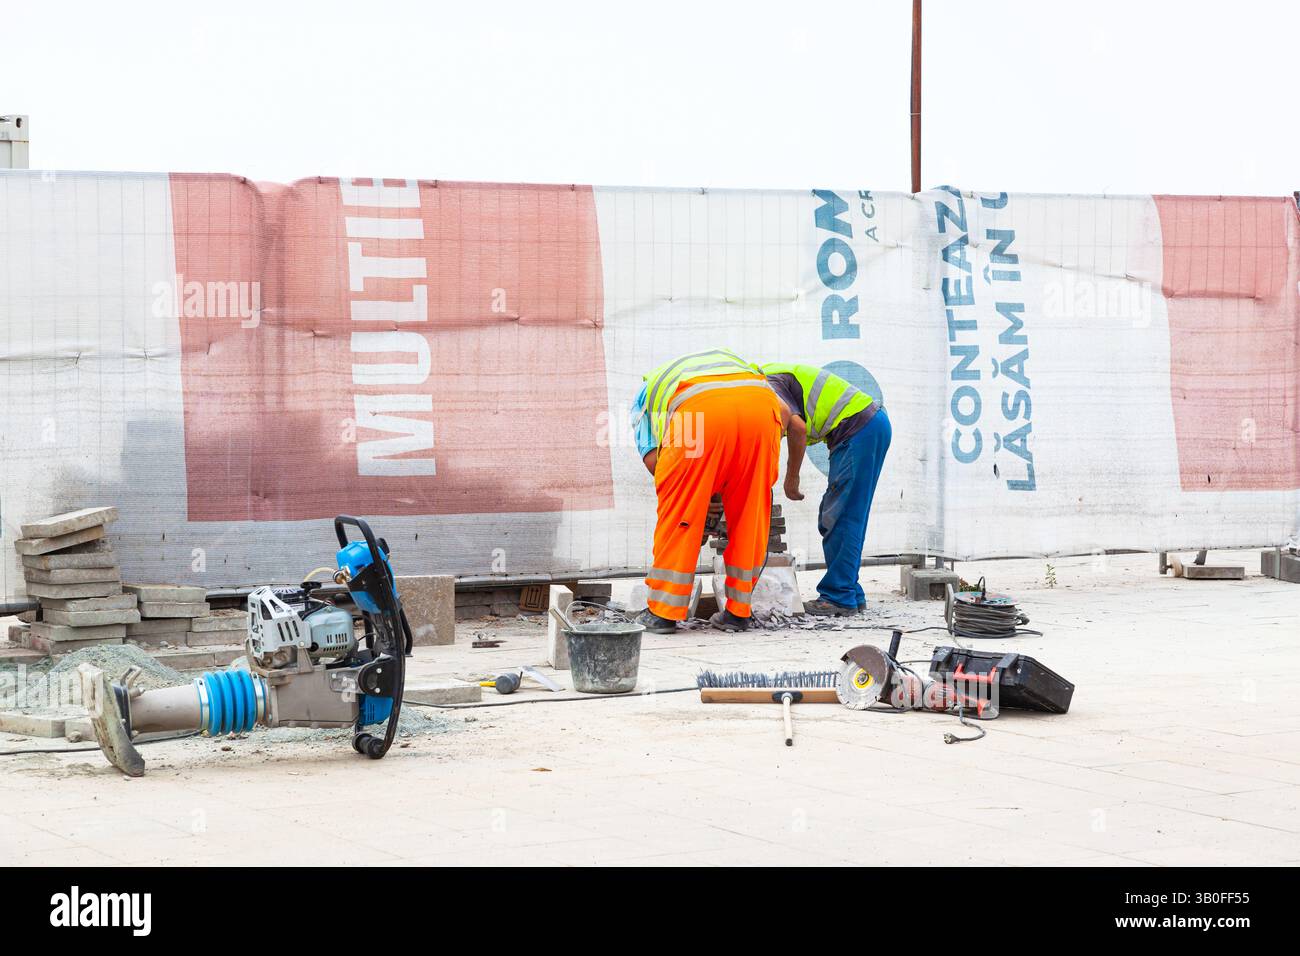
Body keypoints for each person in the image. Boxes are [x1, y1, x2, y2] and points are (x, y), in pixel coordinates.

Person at [631, 348, 787, 633]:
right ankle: (739, 612)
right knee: (750, 512)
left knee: (679, 511)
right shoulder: (732, 369)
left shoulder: (645, 397)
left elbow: (657, 462)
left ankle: (663, 612)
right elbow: (785, 413)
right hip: (762, 409)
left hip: (700, 412)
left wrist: (697, 503)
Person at [761, 362, 891, 616]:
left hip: (859, 429)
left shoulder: (763, 387)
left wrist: (791, 479)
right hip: (866, 427)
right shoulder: (766, 383)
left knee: (841, 516)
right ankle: (850, 592)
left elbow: (797, 428)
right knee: (840, 515)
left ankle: (839, 597)